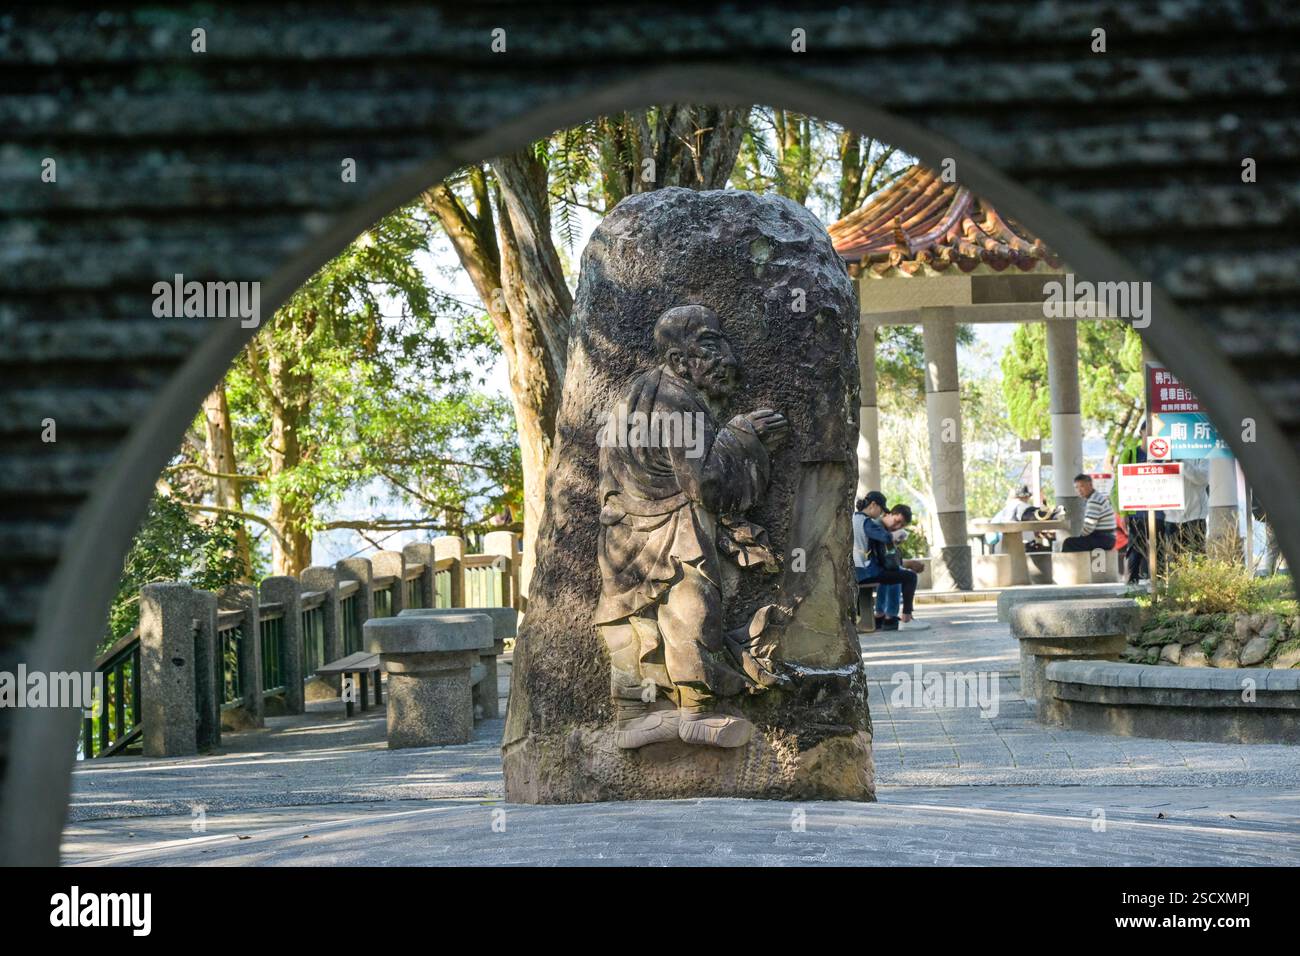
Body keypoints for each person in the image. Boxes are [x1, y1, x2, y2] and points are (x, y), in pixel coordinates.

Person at [857, 503, 919, 623]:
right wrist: (894, 542)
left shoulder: (882, 529)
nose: (897, 526)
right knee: (901, 574)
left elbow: (889, 557)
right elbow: (891, 562)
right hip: (866, 572)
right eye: (897, 521)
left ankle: (882, 614)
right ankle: (893, 616)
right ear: (888, 514)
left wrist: (895, 544)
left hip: (868, 570)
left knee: (894, 572)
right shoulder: (880, 529)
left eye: (901, 525)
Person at [1061, 473, 1117, 553]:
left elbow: (1088, 527)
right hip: (1107, 537)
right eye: (1076, 487)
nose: (1079, 490)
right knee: (1074, 542)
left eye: (1082, 486)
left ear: (1090, 485)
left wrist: (1080, 538)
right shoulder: (1096, 497)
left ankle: (1072, 562)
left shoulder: (1094, 501)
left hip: (1104, 539)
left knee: (1069, 543)